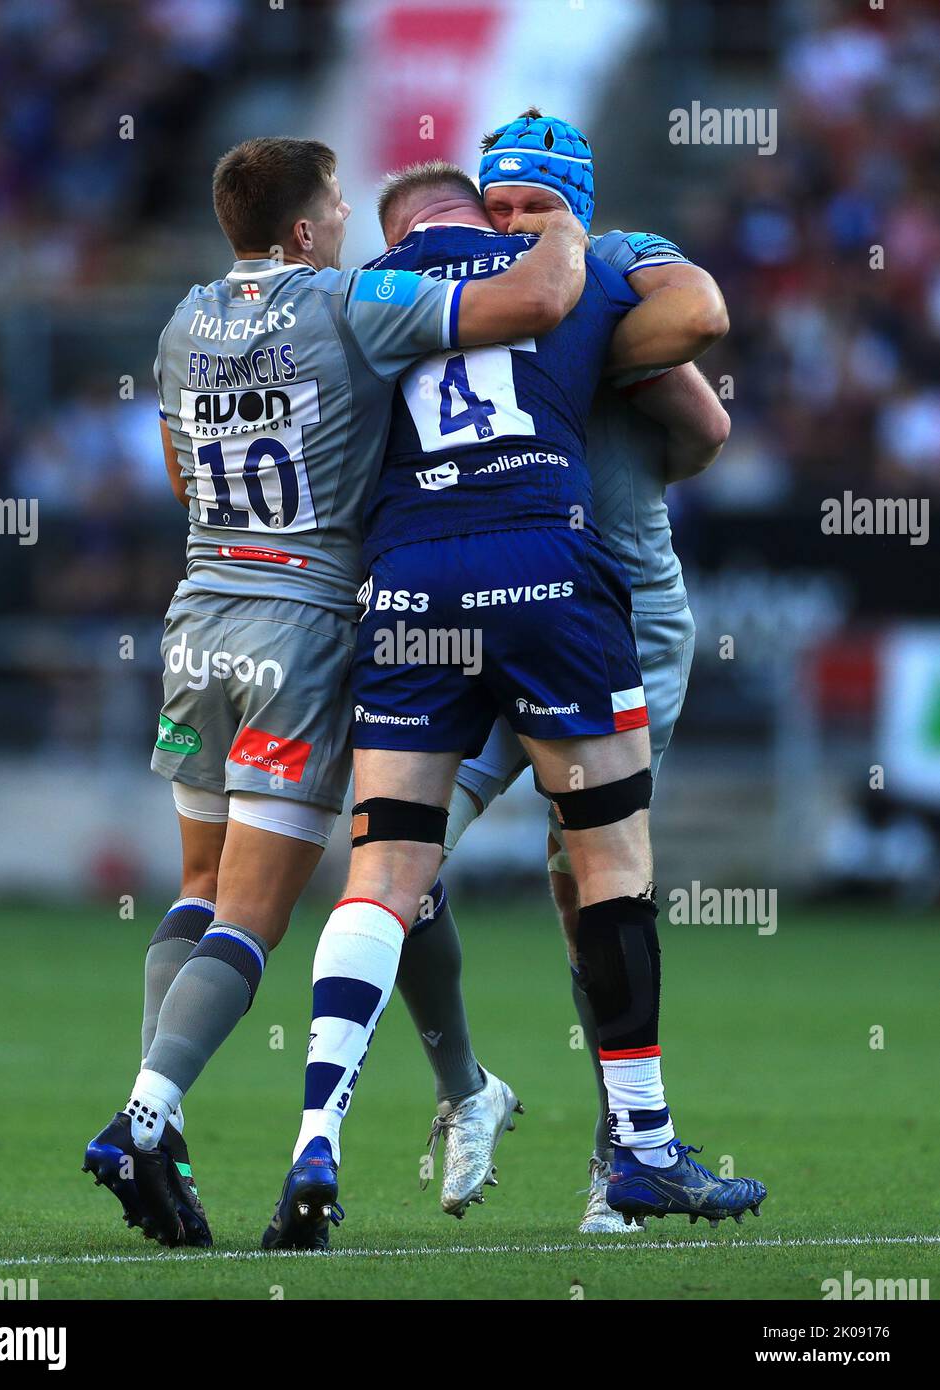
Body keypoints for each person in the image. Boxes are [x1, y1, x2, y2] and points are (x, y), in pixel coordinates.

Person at [81, 134, 591, 1247]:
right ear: (308, 229)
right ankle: (146, 1111)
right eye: (339, 206)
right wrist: (558, 216)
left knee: (202, 883)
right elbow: (538, 299)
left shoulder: (182, 321)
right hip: (302, 628)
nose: (349, 221)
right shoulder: (350, 300)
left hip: (196, 621)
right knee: (266, 912)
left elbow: (177, 471)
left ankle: (157, 1116)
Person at [262, 156, 765, 1250]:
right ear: (476, 214)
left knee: (384, 870)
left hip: (406, 588)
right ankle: (640, 1144)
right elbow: (701, 371)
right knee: (606, 863)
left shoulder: (369, 298)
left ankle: (314, 1138)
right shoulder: (565, 272)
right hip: (550, 581)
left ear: (397, 233)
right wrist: (583, 241)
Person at [394, 111, 734, 1236]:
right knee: (392, 863)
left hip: (615, 616)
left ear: (576, 204)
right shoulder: (480, 290)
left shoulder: (619, 264)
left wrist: (572, 334)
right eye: (493, 204)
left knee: (584, 878)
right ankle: (467, 1091)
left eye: (531, 205)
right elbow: (700, 439)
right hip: (502, 603)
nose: (506, 223)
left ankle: (619, 1156)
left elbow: (702, 392)